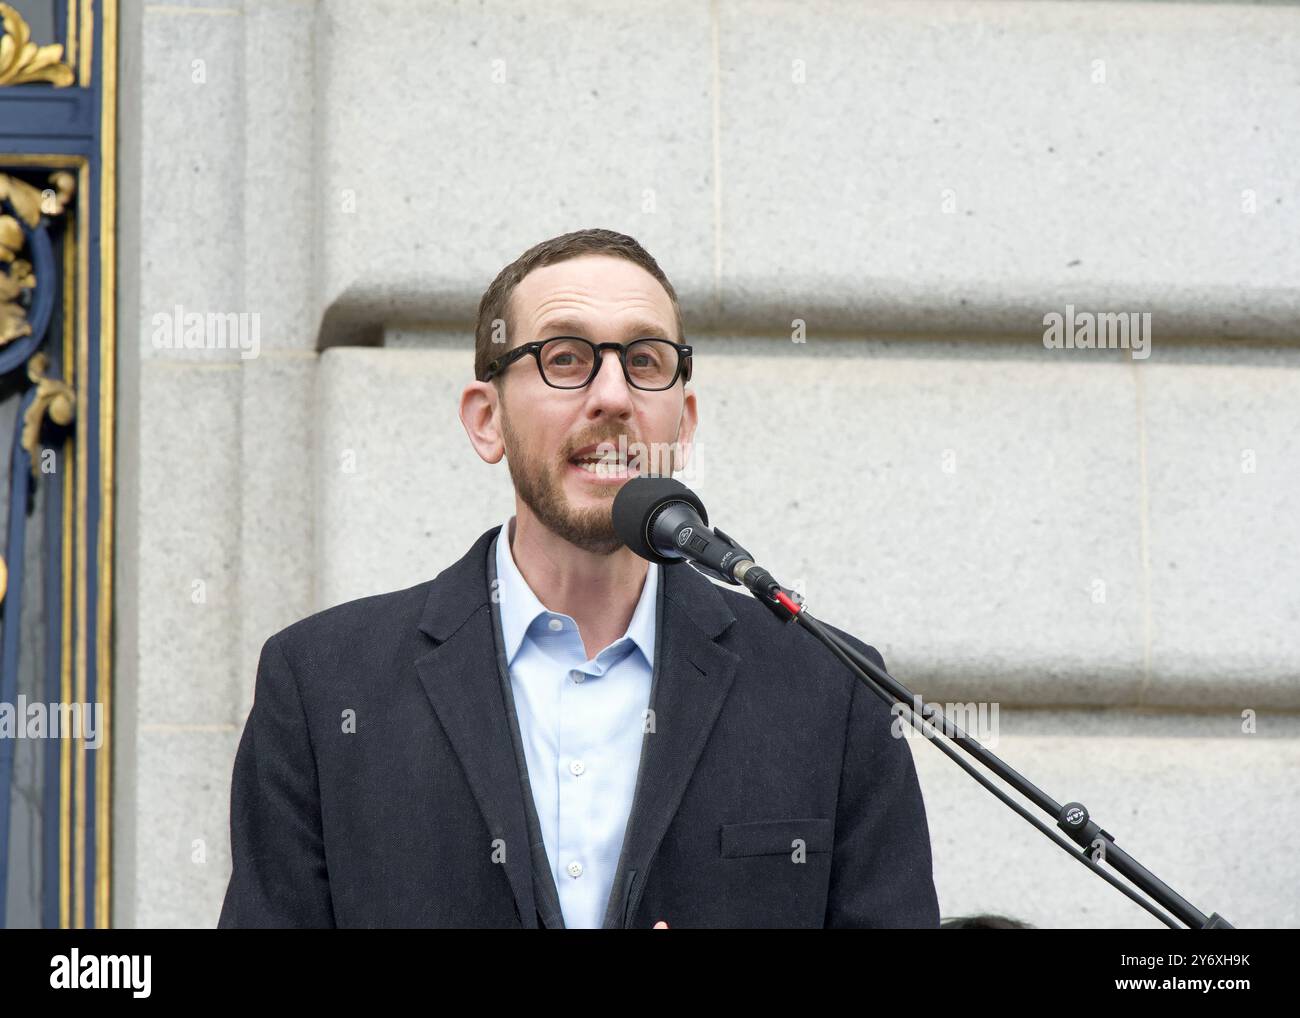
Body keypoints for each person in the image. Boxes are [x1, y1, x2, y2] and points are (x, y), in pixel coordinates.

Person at [217, 228, 940, 929]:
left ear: (683, 425)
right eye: (565, 358)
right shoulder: (321, 687)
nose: (614, 396)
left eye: (646, 361)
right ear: (486, 419)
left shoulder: (834, 690)